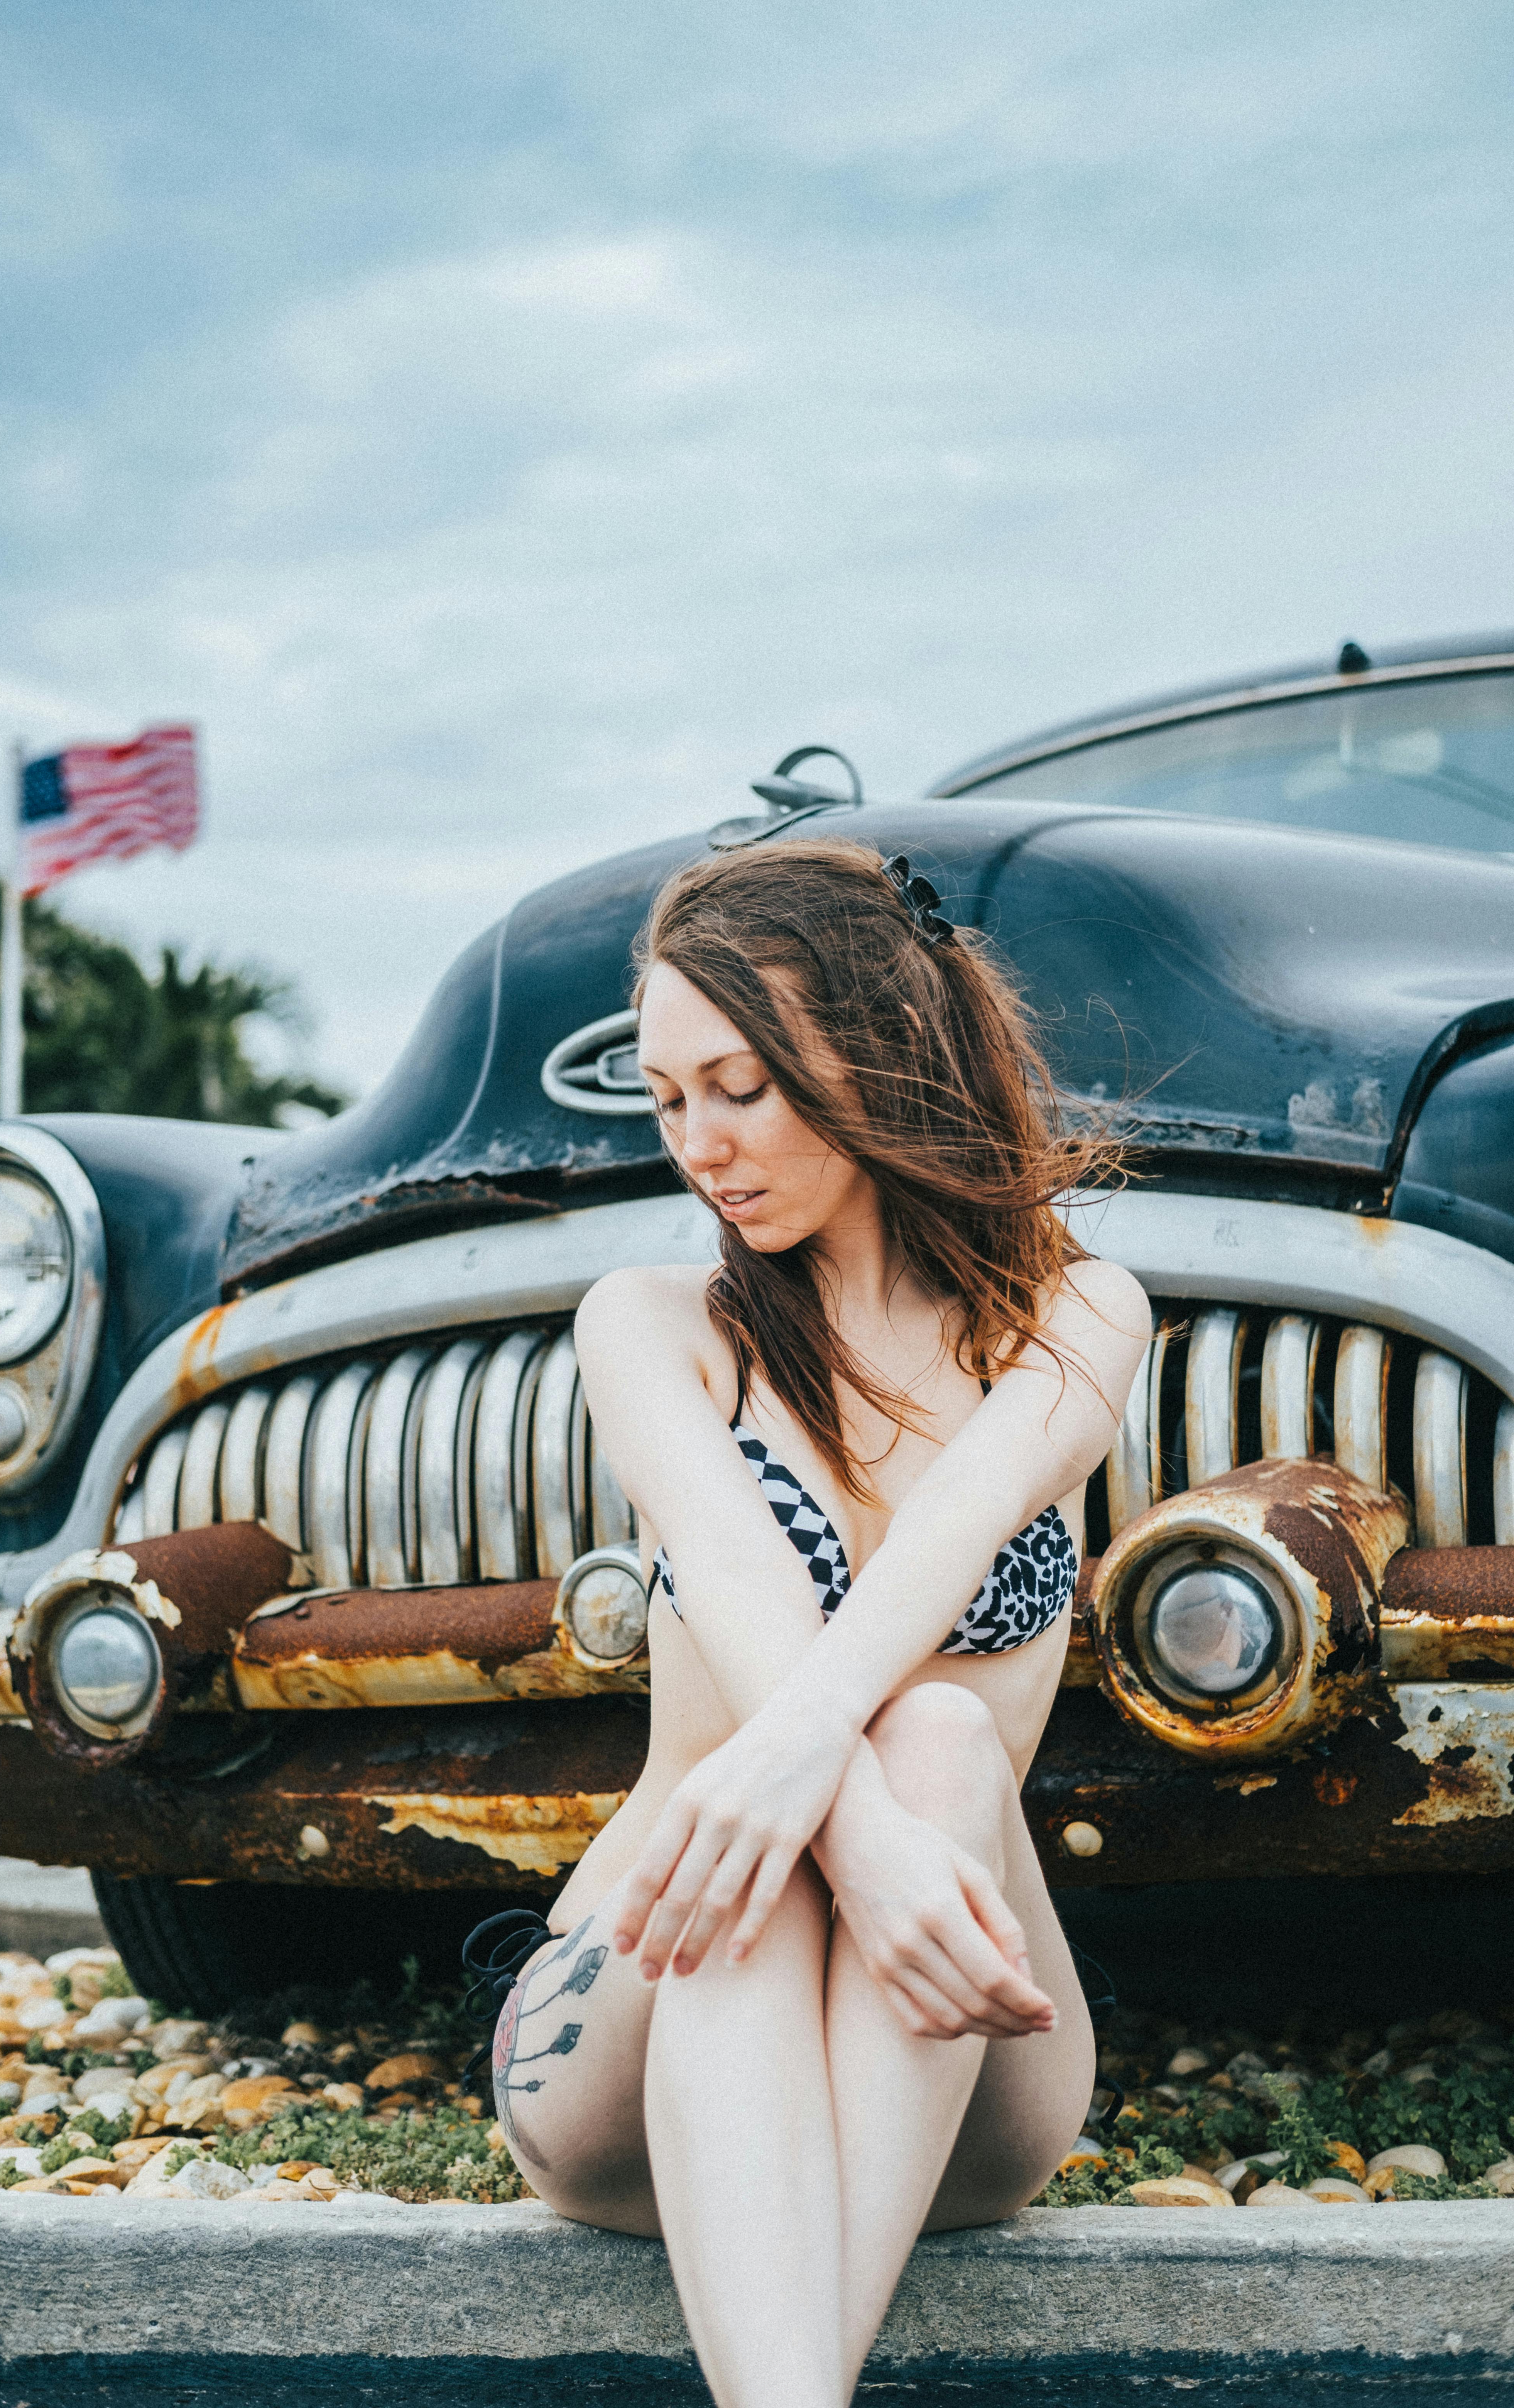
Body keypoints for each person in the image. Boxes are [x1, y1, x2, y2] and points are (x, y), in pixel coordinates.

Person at [485, 839, 1147, 2408]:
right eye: (666, 1101)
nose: (699, 1145)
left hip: (963, 2034)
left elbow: (940, 1556)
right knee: (753, 1833)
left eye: (740, 1085)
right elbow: (737, 1582)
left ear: (872, 1049)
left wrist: (835, 1797)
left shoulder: (1070, 1316)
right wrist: (827, 1816)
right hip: (639, 2023)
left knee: (929, 1731)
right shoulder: (656, 1328)